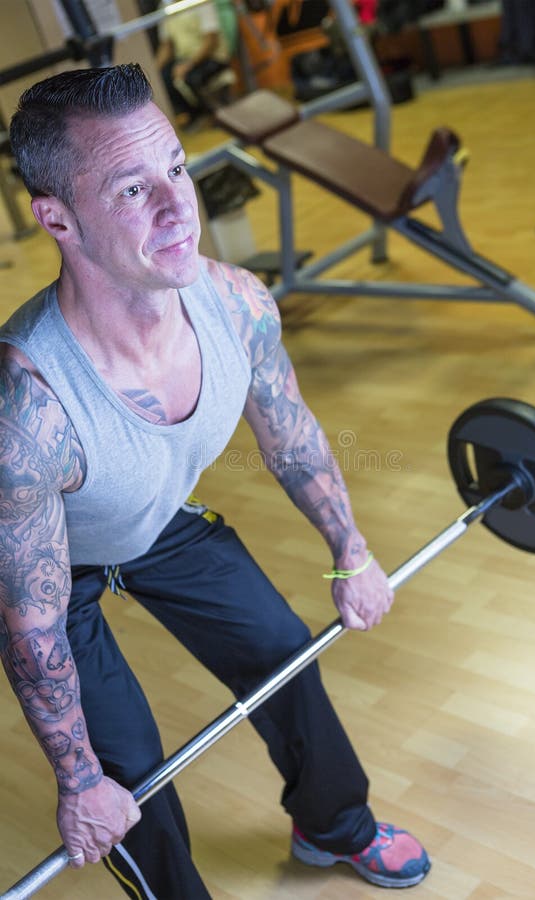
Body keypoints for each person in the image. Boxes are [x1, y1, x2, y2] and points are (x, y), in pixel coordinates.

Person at [1, 64, 431, 899]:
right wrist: (79, 779)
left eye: (176, 167)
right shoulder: (27, 413)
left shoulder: (236, 302)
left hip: (154, 517)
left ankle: (334, 823)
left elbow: (294, 434)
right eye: (131, 190)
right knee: (131, 776)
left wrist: (351, 550)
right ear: (56, 218)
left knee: (282, 652)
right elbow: (31, 625)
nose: (176, 206)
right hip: (55, 569)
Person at [155, 0, 235, 127]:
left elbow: (211, 40)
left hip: (211, 56)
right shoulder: (165, 6)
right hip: (184, 59)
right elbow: (166, 45)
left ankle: (216, 115)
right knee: (162, 78)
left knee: (191, 78)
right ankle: (196, 114)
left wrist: (189, 64)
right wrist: (152, 71)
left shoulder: (200, 2)